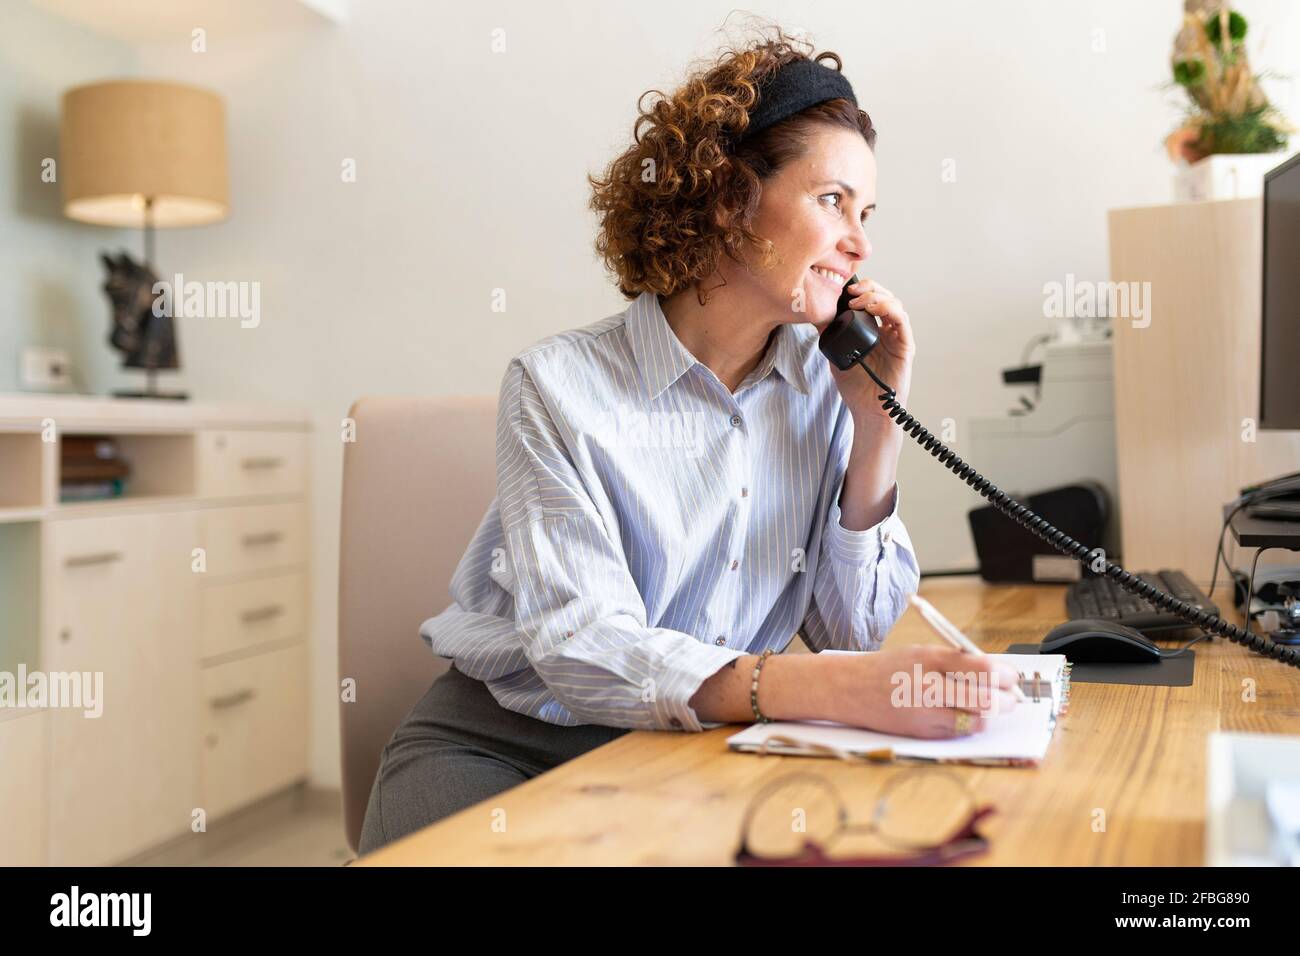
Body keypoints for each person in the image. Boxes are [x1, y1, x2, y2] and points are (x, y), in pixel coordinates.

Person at [358, 25, 1018, 856]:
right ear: (728, 197)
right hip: (506, 745)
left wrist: (874, 425)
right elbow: (580, 649)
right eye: (832, 201)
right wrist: (830, 689)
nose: (861, 241)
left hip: (701, 746)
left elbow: (852, 632)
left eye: (867, 212)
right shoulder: (557, 386)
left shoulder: (823, 389)